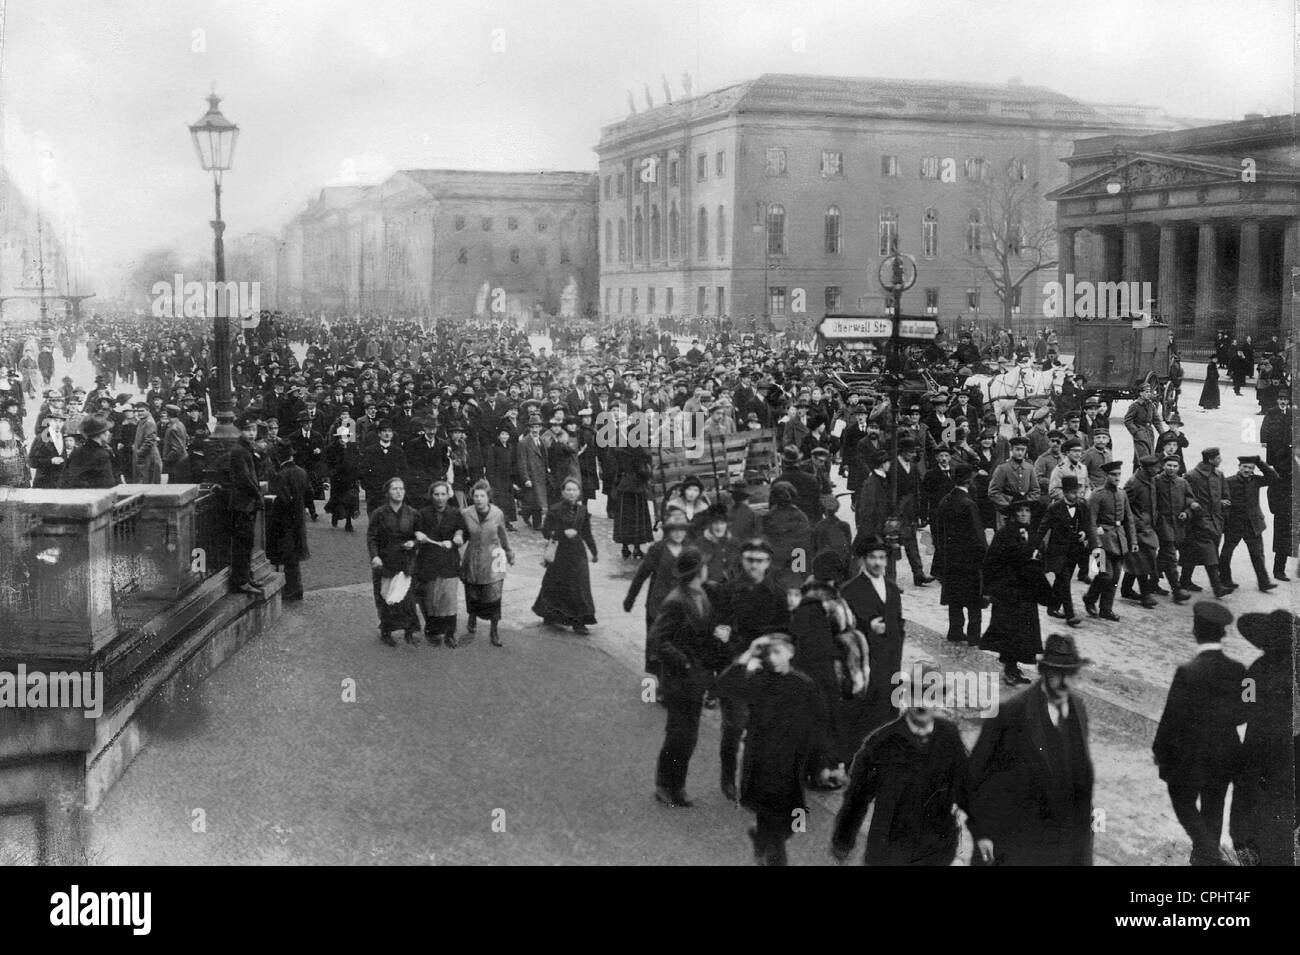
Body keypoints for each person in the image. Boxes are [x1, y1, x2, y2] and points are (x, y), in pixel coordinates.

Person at [968, 633, 1095, 866]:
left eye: (1070, 674)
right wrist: (983, 833)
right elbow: (976, 777)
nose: (1065, 682)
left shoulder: (1078, 710)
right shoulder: (1010, 714)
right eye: (1058, 674)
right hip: (1018, 842)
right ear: (1045, 672)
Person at [831, 663, 972, 866]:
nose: (922, 703)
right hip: (891, 850)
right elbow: (856, 798)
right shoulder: (880, 744)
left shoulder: (948, 736)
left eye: (930, 696)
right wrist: (843, 840)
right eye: (916, 694)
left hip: (936, 849)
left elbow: (966, 786)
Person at [715, 632, 828, 865]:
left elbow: (818, 726)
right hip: (762, 762)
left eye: (778, 652)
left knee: (788, 823)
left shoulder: (803, 684)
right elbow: (724, 686)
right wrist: (747, 655)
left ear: (790, 652)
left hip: (790, 764)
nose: (773, 658)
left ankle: (760, 840)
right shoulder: (759, 680)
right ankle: (769, 849)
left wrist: (820, 765)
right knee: (774, 827)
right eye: (769, 653)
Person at [1152, 601, 1245, 866]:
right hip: (1227, 752)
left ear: (1195, 631)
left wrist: (1161, 752)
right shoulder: (1240, 671)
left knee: (1181, 799)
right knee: (1213, 806)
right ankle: (1205, 858)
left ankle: (1208, 854)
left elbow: (1171, 718)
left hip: (1193, 754)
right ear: (1223, 634)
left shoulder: (1187, 673)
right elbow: (1247, 709)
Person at [712, 538, 790, 801]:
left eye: (760, 560)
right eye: (750, 560)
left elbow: (784, 632)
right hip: (735, 668)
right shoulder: (727, 591)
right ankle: (727, 776)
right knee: (734, 728)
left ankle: (750, 781)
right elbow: (719, 629)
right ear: (742, 561)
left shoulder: (777, 593)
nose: (754, 565)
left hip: (765, 671)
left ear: (768, 563)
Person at [649, 547, 727, 808]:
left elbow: (702, 633)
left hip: (696, 679)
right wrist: (683, 661)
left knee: (688, 736)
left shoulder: (701, 595)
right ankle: (665, 785)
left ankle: (677, 786)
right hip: (679, 679)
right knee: (678, 735)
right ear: (696, 572)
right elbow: (659, 640)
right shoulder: (676, 600)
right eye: (704, 565)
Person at [1229, 610, 1296, 866]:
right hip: (1291, 759)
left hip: (1257, 754)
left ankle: (1247, 853)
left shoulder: (1257, 670)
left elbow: (1240, 711)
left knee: (1248, 807)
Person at [840, 533, 906, 742]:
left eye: (881, 558)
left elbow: (898, 622)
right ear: (863, 560)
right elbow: (842, 631)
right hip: (866, 663)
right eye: (872, 558)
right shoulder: (850, 590)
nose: (877, 563)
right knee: (867, 719)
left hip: (891, 662)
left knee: (889, 713)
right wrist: (868, 628)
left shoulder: (893, 589)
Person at [981, 495, 1049, 686]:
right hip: (1008, 592)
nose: (1024, 514)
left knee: (1025, 633)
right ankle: (1009, 668)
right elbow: (991, 562)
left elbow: (1041, 558)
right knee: (1009, 632)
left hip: (1027, 592)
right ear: (1013, 514)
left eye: (1027, 510)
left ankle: (1014, 667)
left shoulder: (1034, 534)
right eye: (1020, 511)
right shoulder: (1003, 535)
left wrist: (1038, 559)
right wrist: (989, 590)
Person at [625, 511, 692, 689]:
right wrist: (630, 599)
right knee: (660, 645)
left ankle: (674, 683)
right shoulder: (657, 549)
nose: (678, 533)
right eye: (674, 529)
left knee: (679, 645)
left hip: (683, 607)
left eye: (682, 530)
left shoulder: (691, 549)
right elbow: (642, 574)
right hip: (658, 606)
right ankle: (662, 686)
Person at [929, 463, 987, 644]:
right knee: (973, 599)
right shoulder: (969, 504)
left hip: (950, 558)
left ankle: (955, 631)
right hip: (969, 561)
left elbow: (937, 531)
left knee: (954, 597)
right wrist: (985, 558)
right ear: (969, 481)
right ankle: (974, 635)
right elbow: (978, 537)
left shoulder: (945, 500)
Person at [534, 476, 599, 635]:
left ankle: (579, 622)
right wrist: (562, 533)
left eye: (574, 490)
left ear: (579, 493)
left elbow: (587, 533)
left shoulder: (582, 511)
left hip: (577, 553)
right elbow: (546, 531)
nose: (571, 493)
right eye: (568, 489)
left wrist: (594, 551)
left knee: (579, 586)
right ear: (563, 492)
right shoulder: (555, 510)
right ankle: (549, 613)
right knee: (555, 584)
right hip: (560, 553)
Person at [412, 480, 468, 647]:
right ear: (431, 496)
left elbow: (462, 531)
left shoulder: (456, 513)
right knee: (431, 599)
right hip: (428, 561)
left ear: (448, 495)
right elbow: (414, 530)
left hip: (448, 562)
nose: (440, 498)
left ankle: (450, 633)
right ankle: (433, 630)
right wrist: (418, 534)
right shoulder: (422, 514)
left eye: (443, 494)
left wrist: (458, 538)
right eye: (436, 494)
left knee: (449, 599)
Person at [460, 478, 515, 646]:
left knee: (494, 595)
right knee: (472, 592)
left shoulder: (497, 513)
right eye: (476, 496)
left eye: (482, 496)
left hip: (493, 558)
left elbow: (503, 534)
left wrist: (509, 553)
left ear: (488, 497)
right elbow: (461, 535)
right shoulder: (466, 514)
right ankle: (472, 617)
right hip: (472, 558)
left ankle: (494, 631)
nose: (478, 499)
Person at [367, 476, 420, 645]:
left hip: (405, 560)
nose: (398, 492)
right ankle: (386, 631)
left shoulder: (412, 513)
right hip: (386, 560)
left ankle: (409, 631)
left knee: (407, 598)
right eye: (394, 489)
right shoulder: (379, 514)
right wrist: (374, 555)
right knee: (385, 596)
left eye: (401, 489)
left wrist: (414, 542)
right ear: (388, 492)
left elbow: (419, 536)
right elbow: (372, 537)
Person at [1083, 460, 1135, 620]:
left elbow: (1129, 519)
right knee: (1104, 575)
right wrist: (1095, 544)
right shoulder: (1097, 495)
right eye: (1113, 475)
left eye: (1119, 474)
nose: (1117, 478)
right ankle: (1090, 599)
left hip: (1119, 540)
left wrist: (1133, 541)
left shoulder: (1122, 494)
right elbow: (1090, 521)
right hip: (1100, 542)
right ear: (1107, 476)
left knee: (1114, 578)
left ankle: (1106, 609)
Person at [1181, 448, 1231, 598]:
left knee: (1192, 554)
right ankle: (1217, 588)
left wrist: (1222, 502)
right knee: (1210, 555)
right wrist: (1192, 504)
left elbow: (1225, 495)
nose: (1220, 460)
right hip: (1199, 521)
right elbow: (1184, 495)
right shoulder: (1191, 475)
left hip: (1216, 521)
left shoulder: (1219, 475)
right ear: (1210, 460)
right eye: (1218, 458)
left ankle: (1184, 581)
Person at [224, 414, 264, 596]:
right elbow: (244, 478)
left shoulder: (246, 448)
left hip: (246, 503)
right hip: (242, 504)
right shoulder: (239, 450)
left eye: (254, 430)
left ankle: (246, 577)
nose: (252, 433)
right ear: (241, 431)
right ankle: (241, 581)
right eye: (248, 430)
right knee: (242, 544)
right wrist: (258, 495)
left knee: (247, 543)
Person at [265, 444, 311, 601]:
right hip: (298, 518)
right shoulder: (302, 472)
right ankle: (296, 588)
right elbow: (309, 493)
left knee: (288, 555)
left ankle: (292, 589)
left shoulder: (282, 475)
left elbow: (282, 500)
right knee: (295, 555)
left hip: (285, 521)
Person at [1259, 392, 1293, 580]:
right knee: (1283, 536)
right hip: (1284, 507)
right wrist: (1279, 508)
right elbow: (1272, 490)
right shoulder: (1280, 471)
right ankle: (1279, 569)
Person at [324, 423, 361, 531]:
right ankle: (335, 515)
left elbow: (356, 461)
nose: (343, 439)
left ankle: (348, 523)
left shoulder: (352, 447)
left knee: (351, 500)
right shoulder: (332, 448)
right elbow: (329, 463)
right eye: (340, 437)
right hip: (338, 478)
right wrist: (332, 473)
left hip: (350, 478)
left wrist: (357, 474)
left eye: (345, 437)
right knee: (337, 499)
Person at [132, 402, 162, 484]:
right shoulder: (143, 421)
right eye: (138, 411)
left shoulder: (149, 422)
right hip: (145, 456)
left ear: (148, 411)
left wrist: (139, 452)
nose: (139, 413)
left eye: (142, 411)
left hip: (148, 456)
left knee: (147, 482)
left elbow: (149, 440)